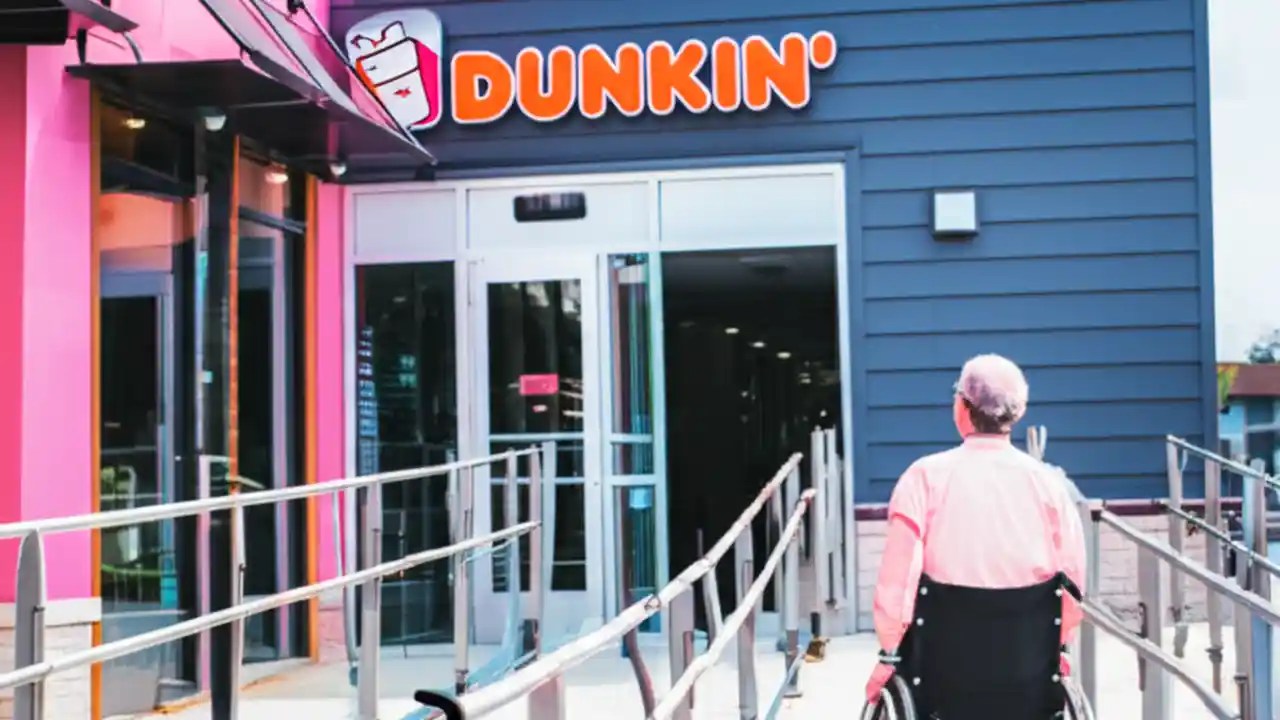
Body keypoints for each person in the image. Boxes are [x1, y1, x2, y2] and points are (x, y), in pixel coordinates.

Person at [865, 353, 1087, 706]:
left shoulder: (923, 478)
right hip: (1026, 676)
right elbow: (1072, 583)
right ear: (1016, 412)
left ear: (963, 407)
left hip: (939, 685)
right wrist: (1061, 644)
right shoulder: (1048, 485)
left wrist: (888, 654)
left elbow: (898, 580)